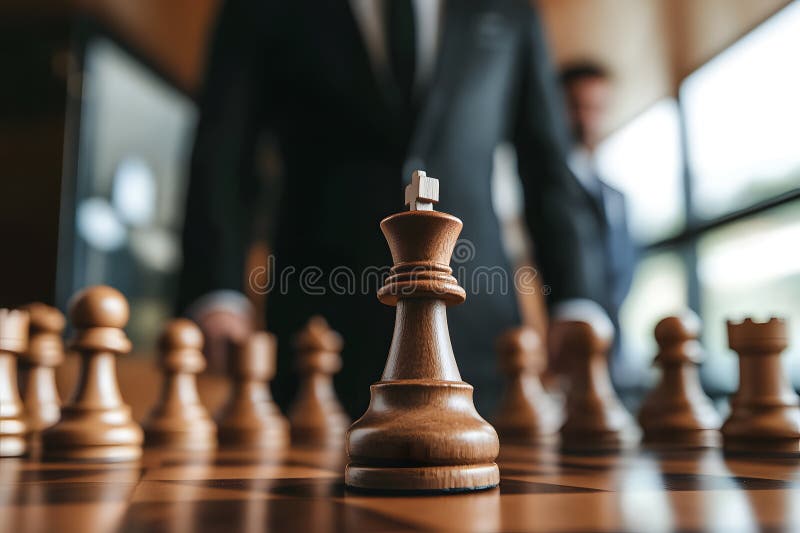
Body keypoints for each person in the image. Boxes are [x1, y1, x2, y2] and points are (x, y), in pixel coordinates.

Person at [178, 0, 610, 417]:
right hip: (317, 328)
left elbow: (547, 165)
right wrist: (218, 289)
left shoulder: (511, 8)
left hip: (477, 334)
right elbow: (224, 152)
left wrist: (574, 298)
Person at [559, 62, 637, 366]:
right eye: (577, 106)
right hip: (562, 347)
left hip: (611, 346)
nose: (587, 119)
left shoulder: (616, 195)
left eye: (596, 108)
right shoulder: (541, 188)